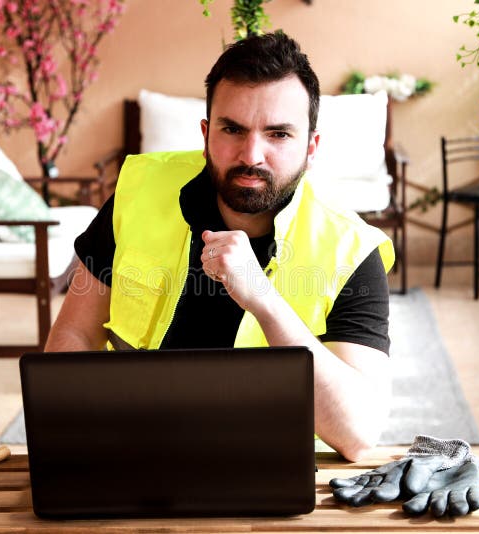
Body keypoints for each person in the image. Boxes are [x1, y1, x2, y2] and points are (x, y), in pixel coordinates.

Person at [45, 32, 395, 461]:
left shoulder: (352, 249)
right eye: (233, 129)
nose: (252, 155)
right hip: (135, 452)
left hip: (270, 466)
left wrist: (263, 298)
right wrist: (88, 433)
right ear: (207, 133)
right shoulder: (138, 192)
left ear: (311, 147)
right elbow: (76, 332)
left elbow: (358, 434)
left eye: (278, 134)